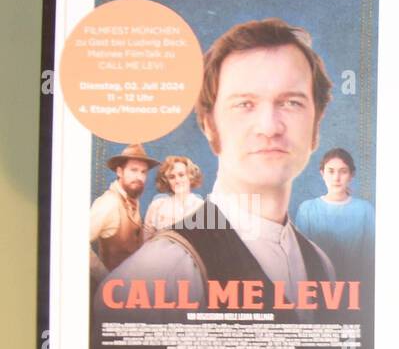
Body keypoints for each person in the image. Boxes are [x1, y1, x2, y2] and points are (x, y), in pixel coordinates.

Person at [96, 18, 337, 308]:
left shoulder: (321, 265)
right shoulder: (155, 275)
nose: (269, 127)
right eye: (244, 104)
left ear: (316, 125)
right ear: (209, 125)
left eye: (291, 103)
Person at [294, 147, 376, 283]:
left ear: (351, 175)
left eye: (343, 172)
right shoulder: (307, 209)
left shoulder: (365, 210)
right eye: (331, 171)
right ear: (322, 173)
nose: (336, 178)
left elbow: (371, 258)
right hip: (317, 287)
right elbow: (301, 258)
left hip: (357, 287)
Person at [88, 142, 158, 288]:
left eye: (143, 172)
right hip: (115, 295)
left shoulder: (132, 200)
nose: (139, 177)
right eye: (133, 170)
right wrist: (106, 280)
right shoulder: (108, 203)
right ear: (119, 171)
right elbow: (77, 243)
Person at [143, 155, 204, 234]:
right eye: (172, 177)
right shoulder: (157, 206)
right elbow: (147, 240)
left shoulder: (201, 206)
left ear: (190, 177)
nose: (177, 180)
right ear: (167, 181)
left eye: (181, 175)